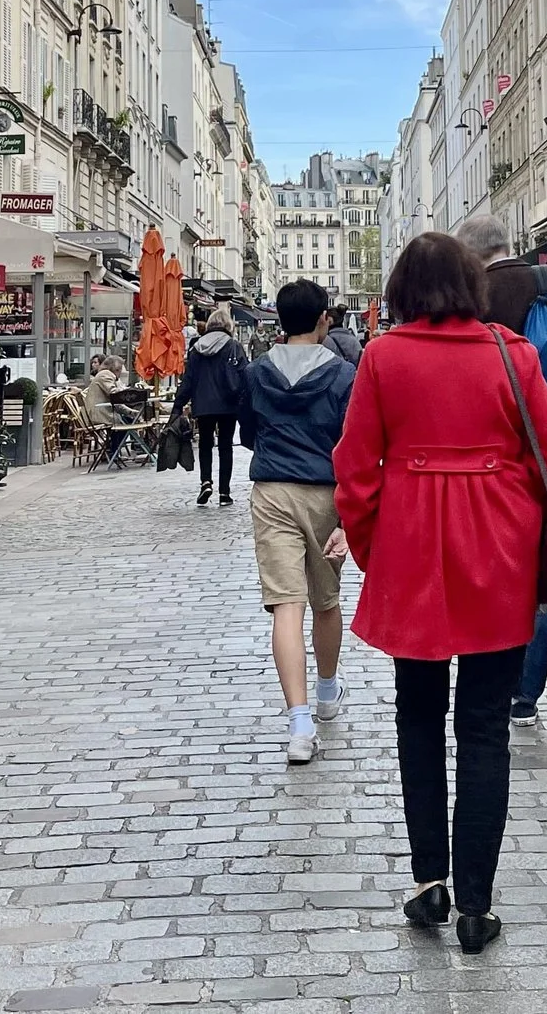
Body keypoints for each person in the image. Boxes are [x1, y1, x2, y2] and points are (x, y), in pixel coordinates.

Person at [331, 231, 547, 956]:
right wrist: (518, 506)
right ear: (472, 283)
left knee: (417, 717)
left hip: (412, 547)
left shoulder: (384, 356)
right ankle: (476, 903)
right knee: (485, 726)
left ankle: (428, 879)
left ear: (403, 289)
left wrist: (375, 548)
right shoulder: (512, 352)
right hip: (496, 546)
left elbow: (354, 467)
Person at [452, 213, 547, 729]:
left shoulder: (474, 295)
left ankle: (497, 669)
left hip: (500, 450)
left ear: (470, 255)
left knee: (498, 565)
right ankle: (526, 694)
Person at [239, 278, 358, 764]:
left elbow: (248, 434)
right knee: (326, 600)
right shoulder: (343, 374)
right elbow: (353, 442)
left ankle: (299, 723)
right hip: (326, 492)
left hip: (272, 490)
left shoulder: (256, 372)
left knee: (286, 606)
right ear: (324, 319)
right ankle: (327, 691)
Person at [176, 305, 250, 505]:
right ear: (228, 325)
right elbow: (245, 375)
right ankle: (224, 492)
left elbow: (188, 380)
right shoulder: (233, 346)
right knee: (225, 446)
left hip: (203, 404)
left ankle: (205, 482)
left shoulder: (196, 348)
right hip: (228, 404)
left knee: (205, 444)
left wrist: (178, 405)